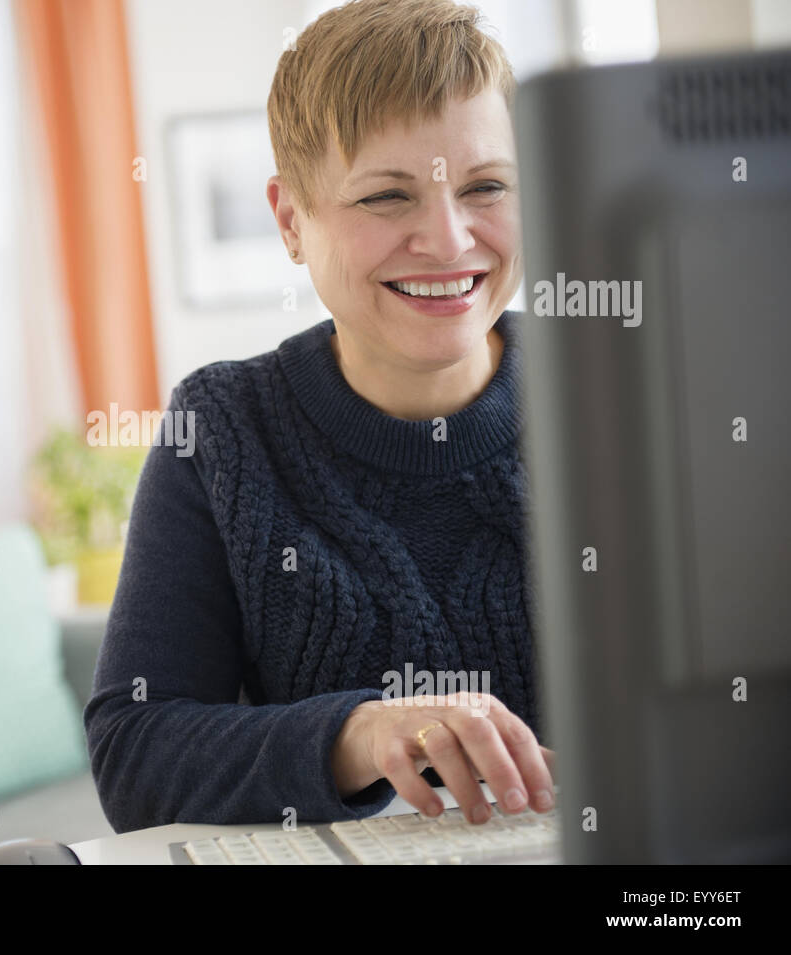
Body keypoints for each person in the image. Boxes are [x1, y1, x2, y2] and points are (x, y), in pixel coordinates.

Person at [85, 0, 556, 834]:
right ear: (290, 220)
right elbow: (136, 752)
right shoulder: (221, 431)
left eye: (486, 186)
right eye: (385, 197)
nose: (449, 242)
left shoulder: (616, 397)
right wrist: (358, 732)